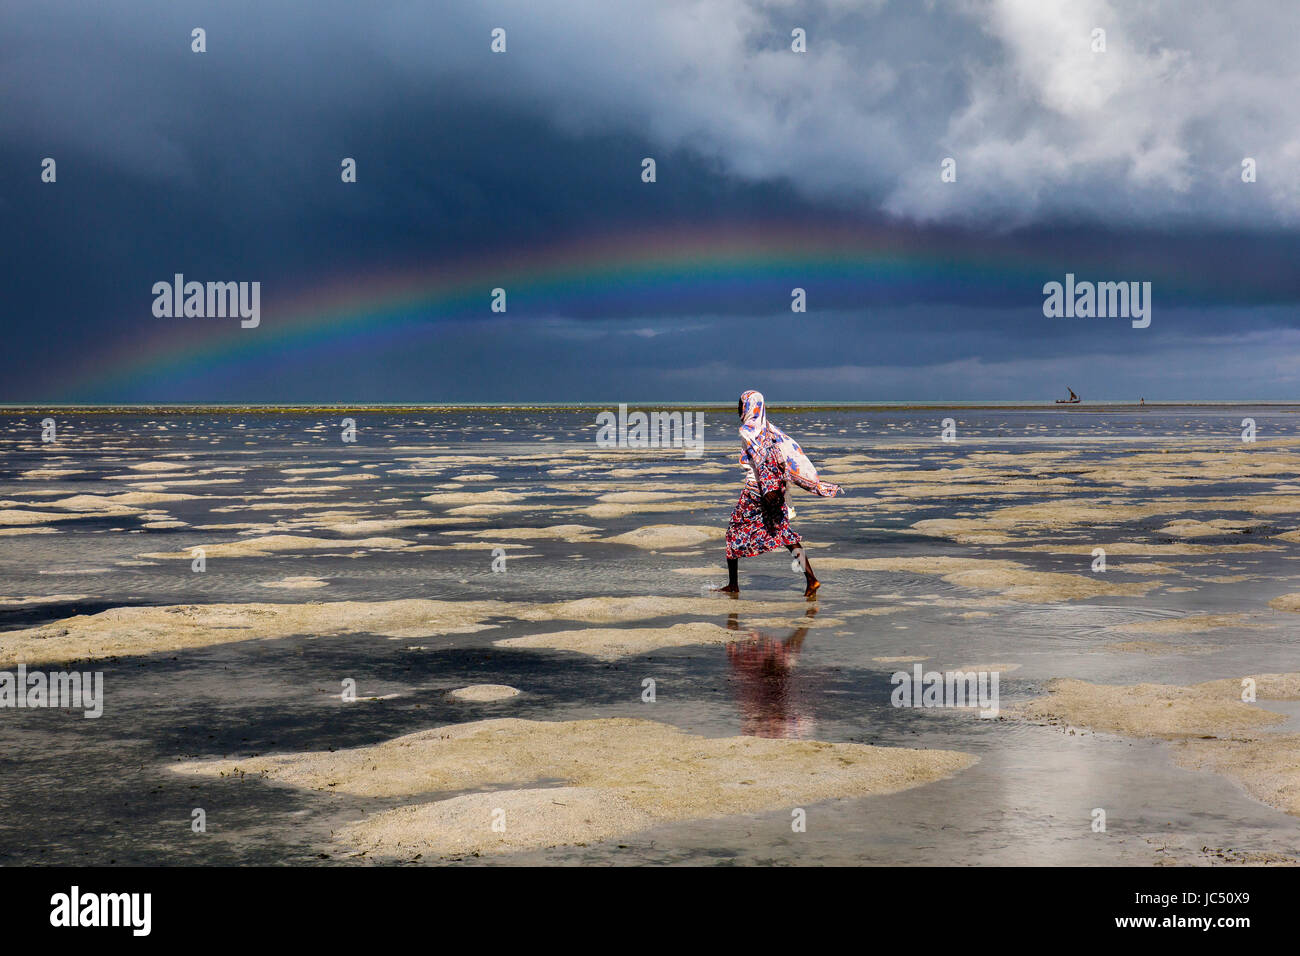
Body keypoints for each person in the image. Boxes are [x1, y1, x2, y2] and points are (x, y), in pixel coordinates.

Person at [713, 390, 841, 597]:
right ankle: (811, 579)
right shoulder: (769, 430)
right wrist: (775, 487)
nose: (738, 409)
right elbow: (777, 458)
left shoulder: (749, 430)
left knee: (733, 533)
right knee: (784, 534)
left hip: (759, 491)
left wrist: (768, 489)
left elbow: (763, 461)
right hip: (775, 488)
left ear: (750, 406)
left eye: (741, 404)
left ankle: (733, 585)